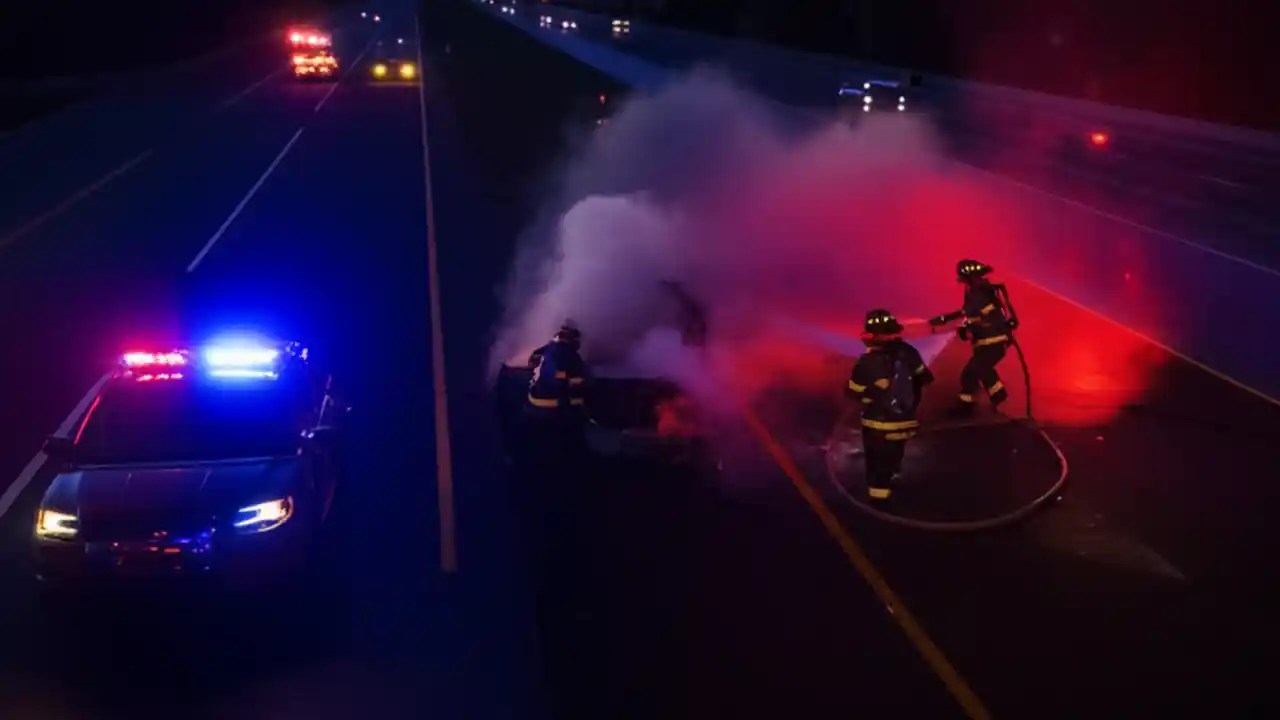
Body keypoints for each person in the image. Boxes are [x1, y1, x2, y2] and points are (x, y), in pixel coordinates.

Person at [846, 309, 934, 502]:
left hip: (877, 424)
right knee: (894, 452)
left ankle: (878, 499)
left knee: (876, 461)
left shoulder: (866, 361)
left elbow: (853, 393)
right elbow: (926, 378)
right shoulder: (910, 352)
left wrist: (872, 392)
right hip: (906, 421)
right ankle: (893, 477)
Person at [930, 259, 1014, 416]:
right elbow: (972, 315)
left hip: (993, 341)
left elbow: (970, 314)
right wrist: (954, 323)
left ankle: (974, 406)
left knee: (974, 371)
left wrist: (945, 319)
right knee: (979, 371)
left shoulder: (978, 292)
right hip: (989, 342)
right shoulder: (980, 290)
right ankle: (995, 402)